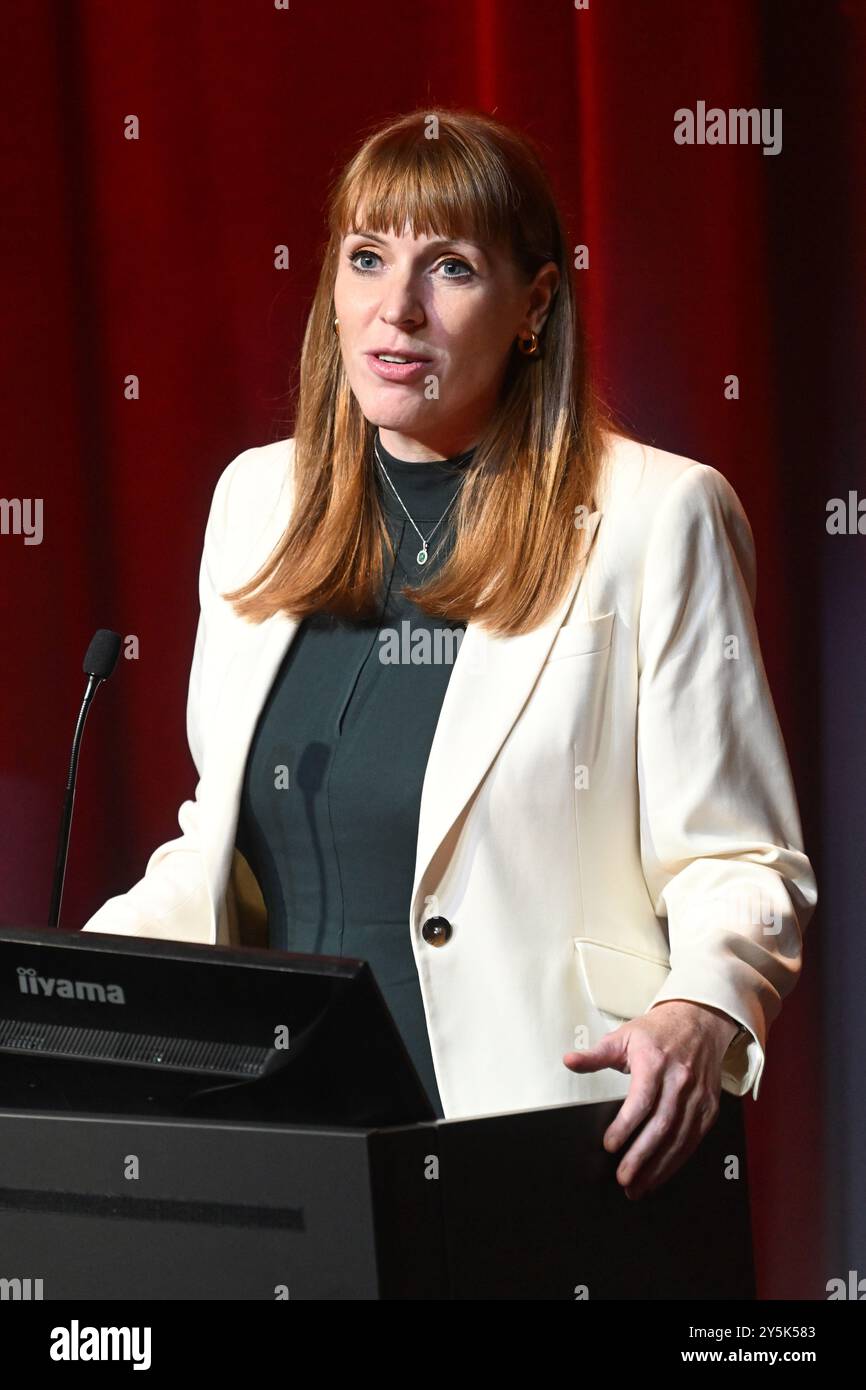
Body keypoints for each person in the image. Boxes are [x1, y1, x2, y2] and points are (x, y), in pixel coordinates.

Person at [81, 107, 817, 1200]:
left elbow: (739, 857)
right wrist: (63, 991)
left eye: (451, 269)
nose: (397, 309)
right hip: (289, 1151)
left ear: (532, 306)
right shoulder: (254, 502)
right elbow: (219, 842)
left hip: (550, 1139)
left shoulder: (655, 516)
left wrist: (700, 1002)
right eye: (367, 258)